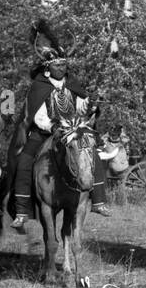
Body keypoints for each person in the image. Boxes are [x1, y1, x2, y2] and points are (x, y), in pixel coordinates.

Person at [8, 18, 108, 231]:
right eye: (57, 65)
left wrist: (91, 104)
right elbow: (37, 116)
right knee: (24, 161)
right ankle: (21, 211)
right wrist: (52, 127)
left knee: (92, 153)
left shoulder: (72, 85)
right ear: (47, 67)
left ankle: (98, 200)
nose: (61, 68)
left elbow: (81, 108)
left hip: (72, 132)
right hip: (44, 133)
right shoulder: (39, 86)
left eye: (64, 64)